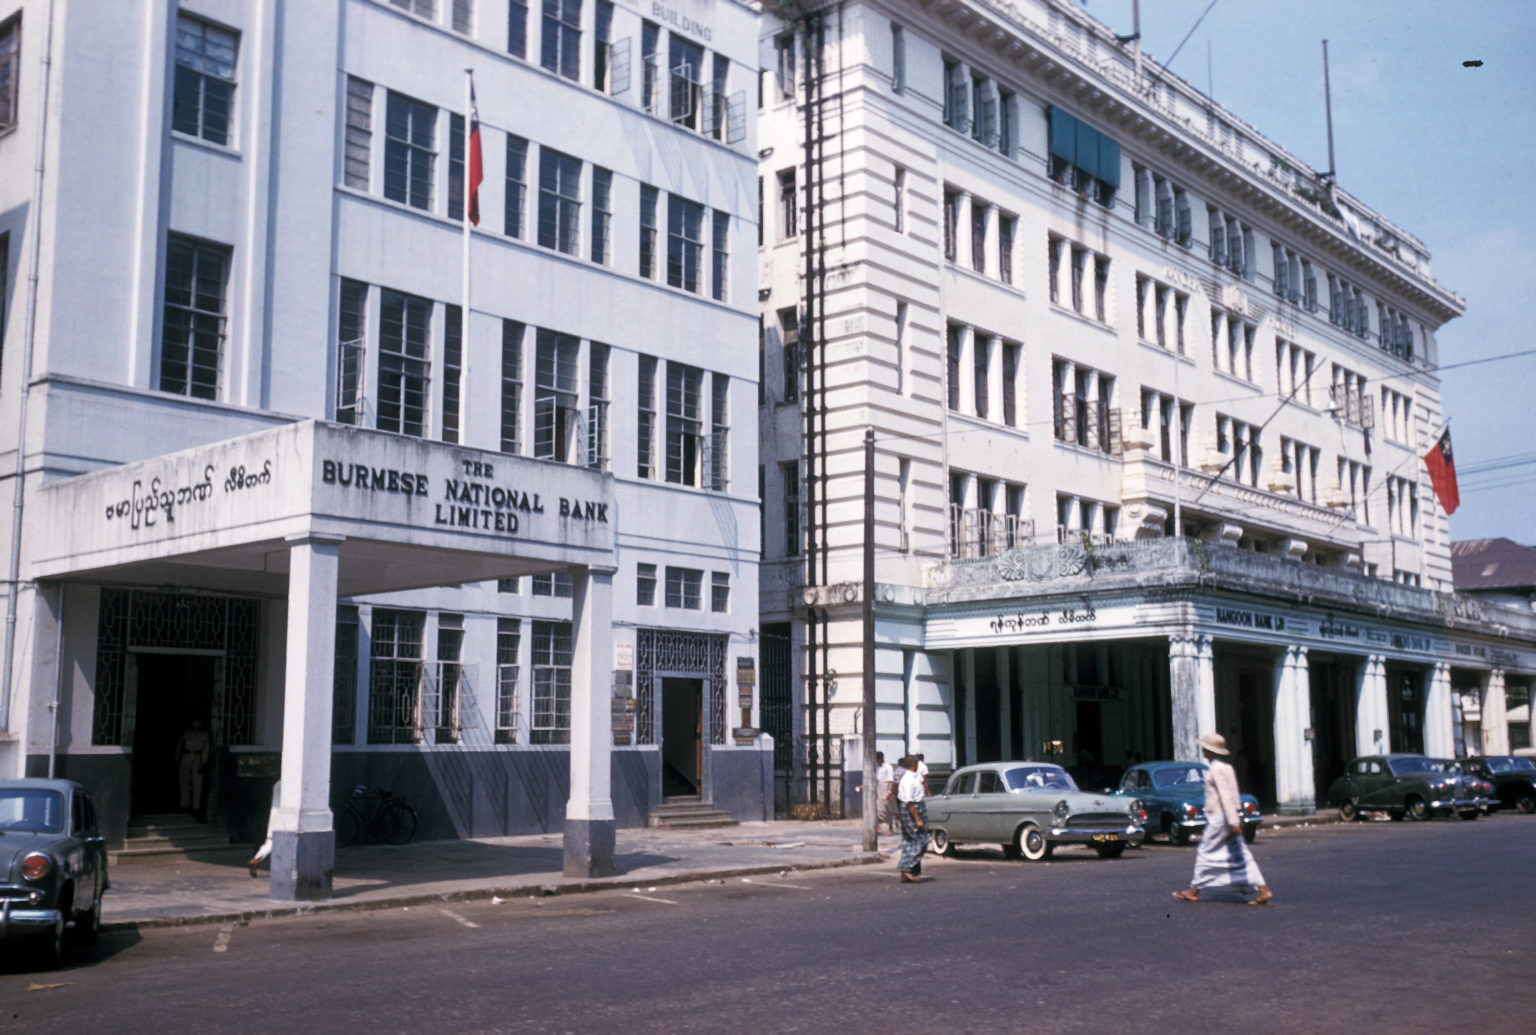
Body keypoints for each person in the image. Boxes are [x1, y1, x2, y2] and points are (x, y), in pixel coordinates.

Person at [1173, 733, 1273, 906]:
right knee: (1241, 853)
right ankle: (1263, 889)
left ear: (1210, 751)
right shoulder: (1227, 767)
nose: (1203, 750)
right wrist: (1236, 817)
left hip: (1219, 817)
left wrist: (1233, 821)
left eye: (1205, 748)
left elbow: (1225, 794)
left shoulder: (1215, 769)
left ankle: (1194, 890)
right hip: (1228, 815)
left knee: (1205, 851)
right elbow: (1234, 794)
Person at [896, 755, 929, 883]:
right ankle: (906, 868)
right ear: (914, 764)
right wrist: (917, 819)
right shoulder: (908, 779)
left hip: (917, 808)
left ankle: (907, 871)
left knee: (909, 841)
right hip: (912, 810)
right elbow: (909, 802)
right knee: (920, 840)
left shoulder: (915, 777)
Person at [175, 717, 211, 813]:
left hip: (197, 757)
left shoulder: (205, 734)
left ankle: (196, 806)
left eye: (198, 721)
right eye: (195, 721)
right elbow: (180, 745)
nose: (196, 724)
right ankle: (184, 804)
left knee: (197, 782)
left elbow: (206, 748)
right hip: (186, 756)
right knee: (184, 781)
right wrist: (177, 758)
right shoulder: (186, 733)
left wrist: (203, 762)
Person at [247, 779, 281, 878]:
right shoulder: (287, 784)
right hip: (283, 816)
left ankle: (256, 859)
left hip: (274, 816)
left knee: (270, 842)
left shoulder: (277, 784)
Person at [875, 751, 896, 836]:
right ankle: (878, 828)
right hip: (878, 787)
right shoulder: (876, 767)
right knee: (877, 808)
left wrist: (889, 792)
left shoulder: (888, 767)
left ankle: (890, 829)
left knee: (887, 809)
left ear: (880, 759)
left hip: (885, 788)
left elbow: (890, 781)